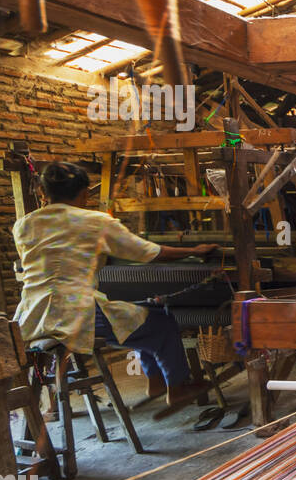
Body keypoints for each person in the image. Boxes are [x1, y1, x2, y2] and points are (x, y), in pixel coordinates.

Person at [13, 162, 218, 405]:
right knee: (161, 320)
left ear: (42, 193)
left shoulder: (23, 224)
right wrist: (194, 250)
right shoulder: (96, 221)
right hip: (75, 316)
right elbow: (148, 253)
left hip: (31, 316)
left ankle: (156, 383)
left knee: (139, 316)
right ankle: (177, 387)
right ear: (84, 193)